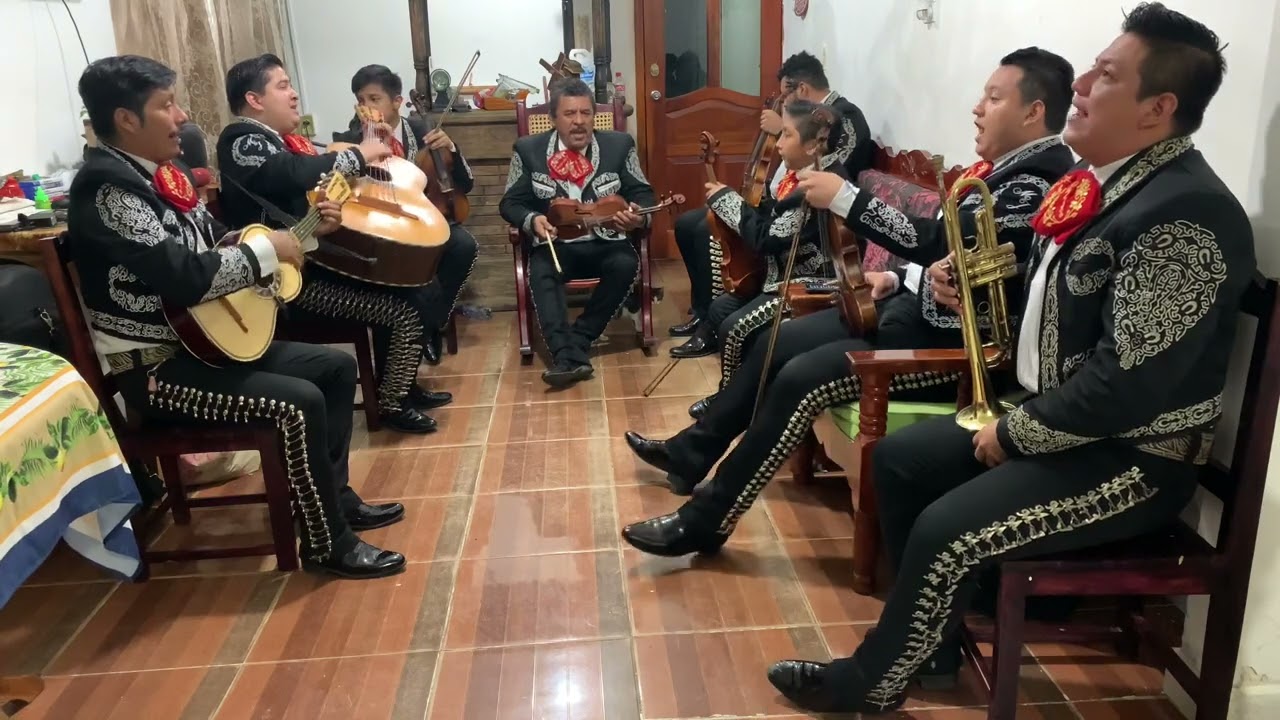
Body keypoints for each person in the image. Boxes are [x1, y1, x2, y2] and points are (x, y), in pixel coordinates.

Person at [768, 4, 1255, 713]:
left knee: (945, 527)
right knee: (898, 463)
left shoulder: (1185, 215)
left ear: (1158, 108)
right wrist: (962, 279)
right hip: (1057, 423)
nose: (1080, 84)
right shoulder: (1108, 184)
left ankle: (870, 683)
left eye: (1106, 75)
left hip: (1133, 459)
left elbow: (1129, 388)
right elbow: (1062, 300)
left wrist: (1013, 433)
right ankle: (928, 648)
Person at [621, 45, 1074, 510]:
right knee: (775, 341)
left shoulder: (1034, 183)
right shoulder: (1007, 173)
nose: (977, 108)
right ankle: (690, 452)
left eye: (994, 99)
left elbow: (941, 242)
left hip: (945, 343)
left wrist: (849, 200)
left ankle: (708, 512)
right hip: (905, 311)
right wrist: (898, 279)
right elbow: (952, 258)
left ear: (1033, 112)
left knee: (799, 374)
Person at [69, 54, 407, 579]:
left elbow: (215, 246)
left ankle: (334, 501)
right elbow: (182, 275)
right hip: (156, 368)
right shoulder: (107, 187)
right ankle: (326, 542)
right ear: (126, 120)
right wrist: (268, 252)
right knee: (299, 402)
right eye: (166, 105)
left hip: (204, 344)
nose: (182, 117)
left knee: (333, 370)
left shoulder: (162, 174)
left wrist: (307, 234)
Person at [216, 54, 450, 435]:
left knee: (410, 282)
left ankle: (402, 387)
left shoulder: (278, 141)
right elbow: (292, 174)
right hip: (286, 286)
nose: (294, 95)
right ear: (254, 100)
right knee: (403, 307)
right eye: (283, 86)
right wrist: (359, 153)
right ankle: (391, 404)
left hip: (308, 261)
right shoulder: (241, 139)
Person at [669, 50, 875, 359]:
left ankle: (718, 319)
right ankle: (705, 312)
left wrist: (781, 128)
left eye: (785, 97)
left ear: (802, 90)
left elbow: (826, 170)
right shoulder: (805, 138)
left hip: (809, 243)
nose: (782, 104)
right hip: (782, 212)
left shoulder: (841, 120)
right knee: (691, 224)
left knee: (710, 227)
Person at [498, 77, 655, 387]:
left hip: (607, 241)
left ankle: (578, 340)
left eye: (586, 113)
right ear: (554, 118)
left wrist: (636, 218)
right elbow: (510, 203)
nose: (579, 121)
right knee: (541, 271)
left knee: (626, 263)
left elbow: (644, 194)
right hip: (557, 243)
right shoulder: (528, 150)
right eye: (570, 114)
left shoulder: (619, 146)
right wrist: (532, 220)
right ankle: (564, 354)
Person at [337, 64, 479, 365]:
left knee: (463, 245)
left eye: (374, 99)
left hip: (426, 218)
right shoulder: (350, 141)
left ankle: (429, 325)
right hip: (381, 226)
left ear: (397, 102)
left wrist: (452, 150)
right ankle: (415, 333)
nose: (367, 107)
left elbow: (466, 184)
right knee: (405, 262)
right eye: (361, 100)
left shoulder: (422, 131)